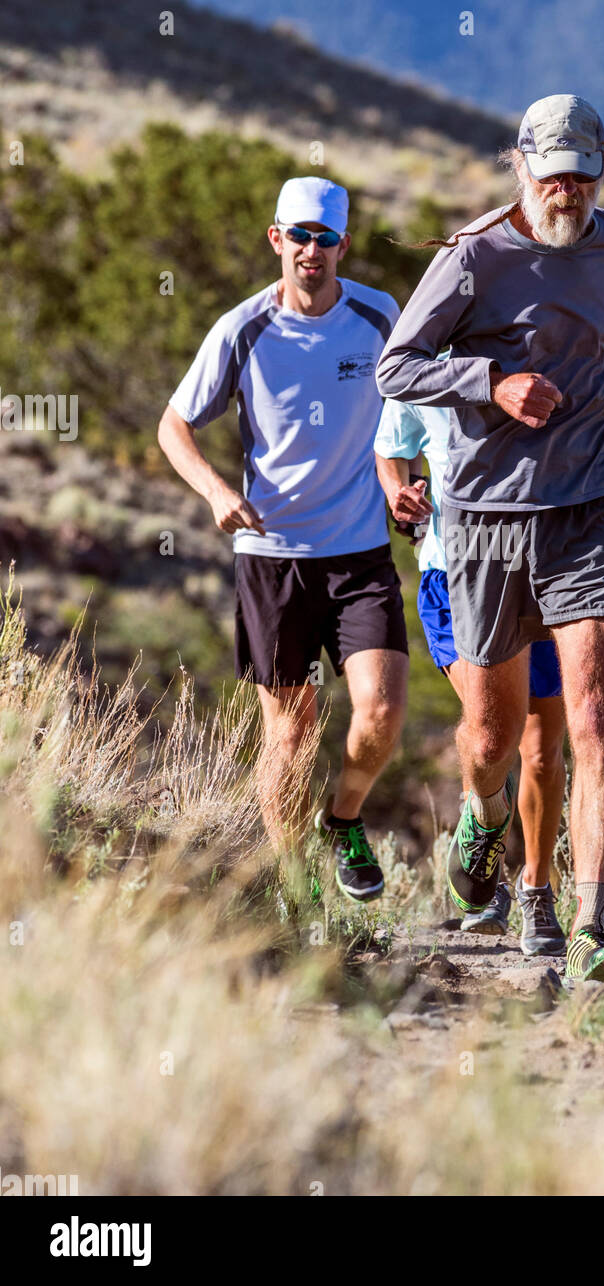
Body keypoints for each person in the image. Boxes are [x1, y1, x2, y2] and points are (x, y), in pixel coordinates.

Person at [376, 95, 604, 985]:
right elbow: (396, 367)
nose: (567, 192)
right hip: (487, 523)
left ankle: (592, 920)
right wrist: (491, 383)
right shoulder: (471, 257)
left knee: (596, 717)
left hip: (592, 511)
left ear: (602, 171)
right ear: (520, 168)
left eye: (582, 176)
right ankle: (483, 818)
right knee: (491, 741)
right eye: (552, 176)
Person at [157, 175, 408, 903]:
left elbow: (409, 408)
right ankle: (295, 894)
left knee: (382, 711)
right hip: (272, 558)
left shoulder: (377, 314)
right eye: (298, 235)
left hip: (360, 552)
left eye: (325, 238)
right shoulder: (242, 328)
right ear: (276, 239)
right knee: (290, 733)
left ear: (343, 246)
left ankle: (346, 818)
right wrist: (217, 491)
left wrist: (402, 482)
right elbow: (174, 426)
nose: (311, 249)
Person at [374, 396, 566, 955]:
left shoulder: (554, 347)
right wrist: (398, 493)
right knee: (490, 731)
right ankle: (485, 832)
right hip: (452, 572)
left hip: (543, 576)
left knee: (539, 747)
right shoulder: (427, 359)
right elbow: (392, 449)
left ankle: (535, 891)